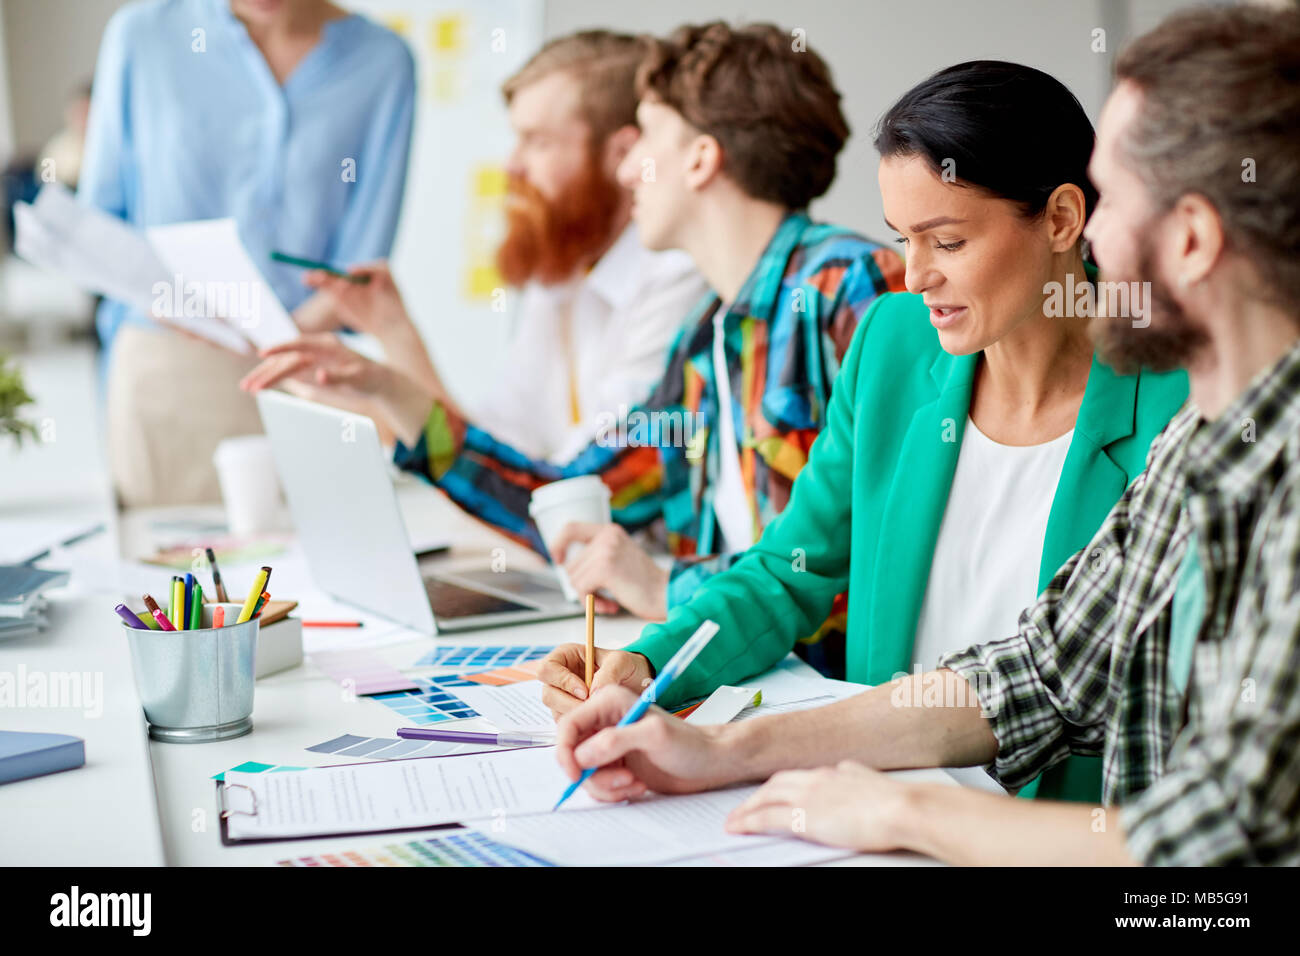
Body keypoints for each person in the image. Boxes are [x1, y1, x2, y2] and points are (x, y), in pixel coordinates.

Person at [554, 4, 1300, 865]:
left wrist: (906, 817)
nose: (1098, 232)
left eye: (1115, 198)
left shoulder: (1233, 440)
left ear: (1191, 238)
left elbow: (1224, 843)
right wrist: (718, 751)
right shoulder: (1202, 445)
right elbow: (1039, 673)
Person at [242, 23, 905, 636]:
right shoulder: (706, 343)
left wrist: (671, 587)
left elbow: (872, 565)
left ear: (701, 160)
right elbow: (580, 500)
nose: (624, 168)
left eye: (644, 135)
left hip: (824, 699)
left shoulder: (852, 287)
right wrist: (397, 397)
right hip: (760, 681)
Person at [285, 31, 707, 464]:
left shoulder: (676, 280)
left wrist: (389, 375)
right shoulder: (562, 268)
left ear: (621, 154)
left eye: (538, 142)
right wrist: (381, 349)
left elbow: (576, 478)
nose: (513, 165)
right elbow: (499, 449)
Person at [80, 0, 415, 505]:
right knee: (171, 574)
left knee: (301, 574)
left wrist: (285, 340)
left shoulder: (383, 62)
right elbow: (102, 225)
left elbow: (360, 265)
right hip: (168, 369)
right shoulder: (143, 36)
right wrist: (168, 301)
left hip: (307, 371)